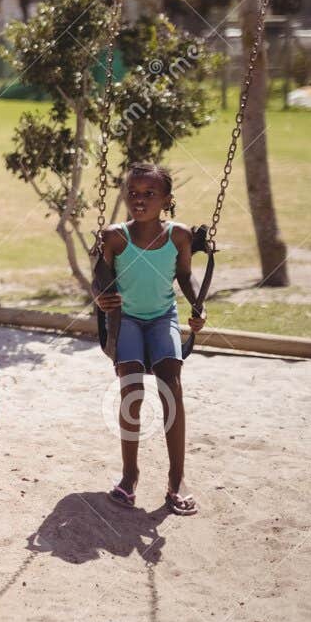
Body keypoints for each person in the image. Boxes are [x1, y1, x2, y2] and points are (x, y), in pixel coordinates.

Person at [92, 163, 203, 515]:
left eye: (149, 194)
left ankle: (176, 477)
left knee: (171, 383)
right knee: (132, 390)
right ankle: (130, 474)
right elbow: (100, 280)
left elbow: (185, 276)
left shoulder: (179, 236)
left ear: (167, 200)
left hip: (162, 318)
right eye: (133, 193)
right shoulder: (114, 236)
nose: (139, 200)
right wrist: (100, 297)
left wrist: (198, 303)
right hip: (127, 321)